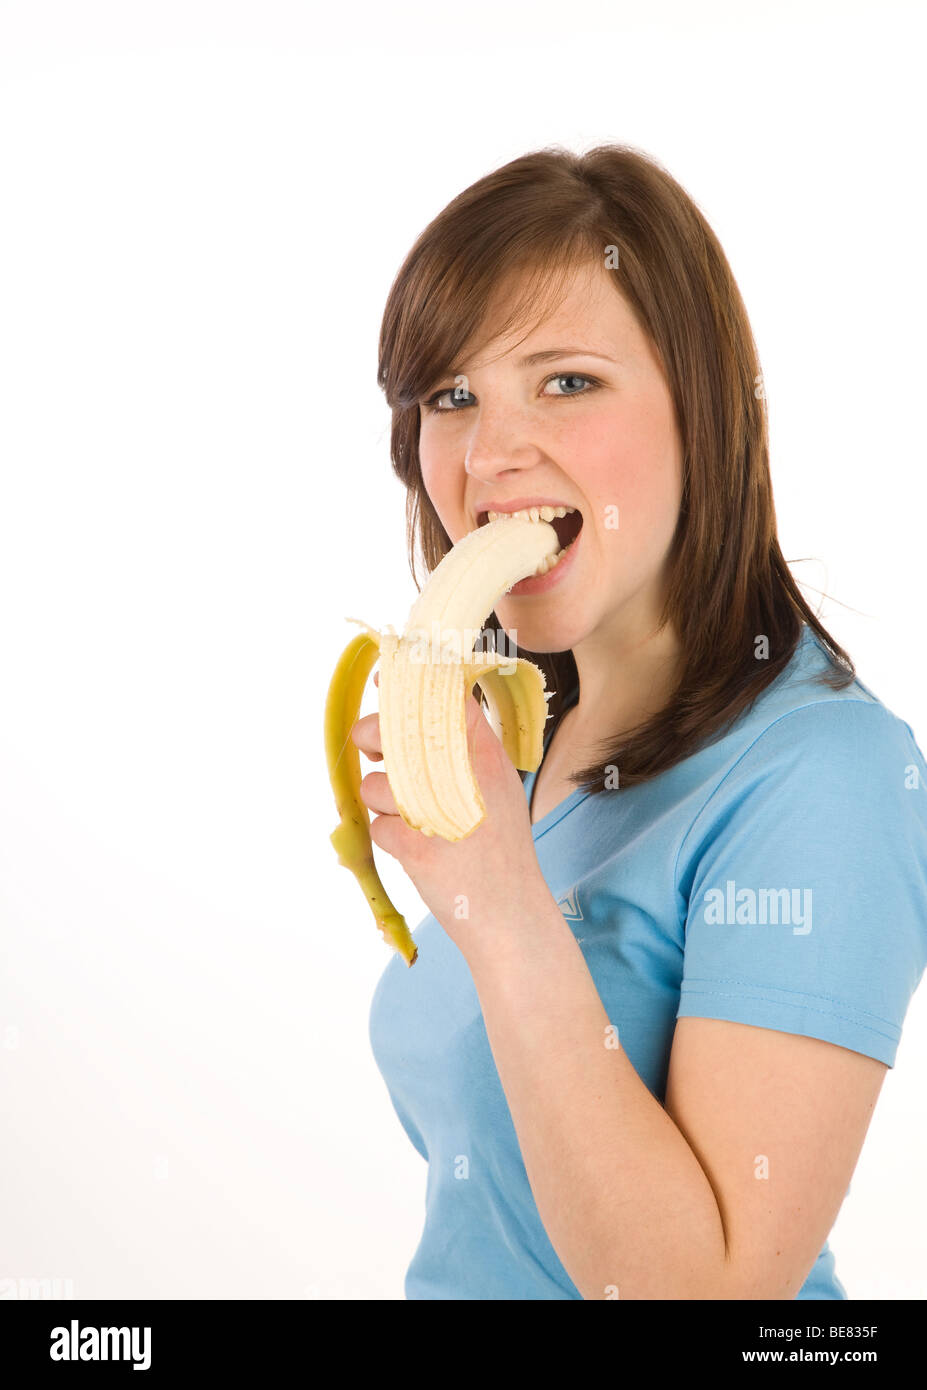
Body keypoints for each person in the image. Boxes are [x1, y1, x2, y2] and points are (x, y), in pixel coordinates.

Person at [353, 144, 927, 1300]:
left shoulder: (827, 778)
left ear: (701, 408)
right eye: (451, 396)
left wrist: (505, 913)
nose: (490, 455)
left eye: (566, 380)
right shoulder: (523, 740)